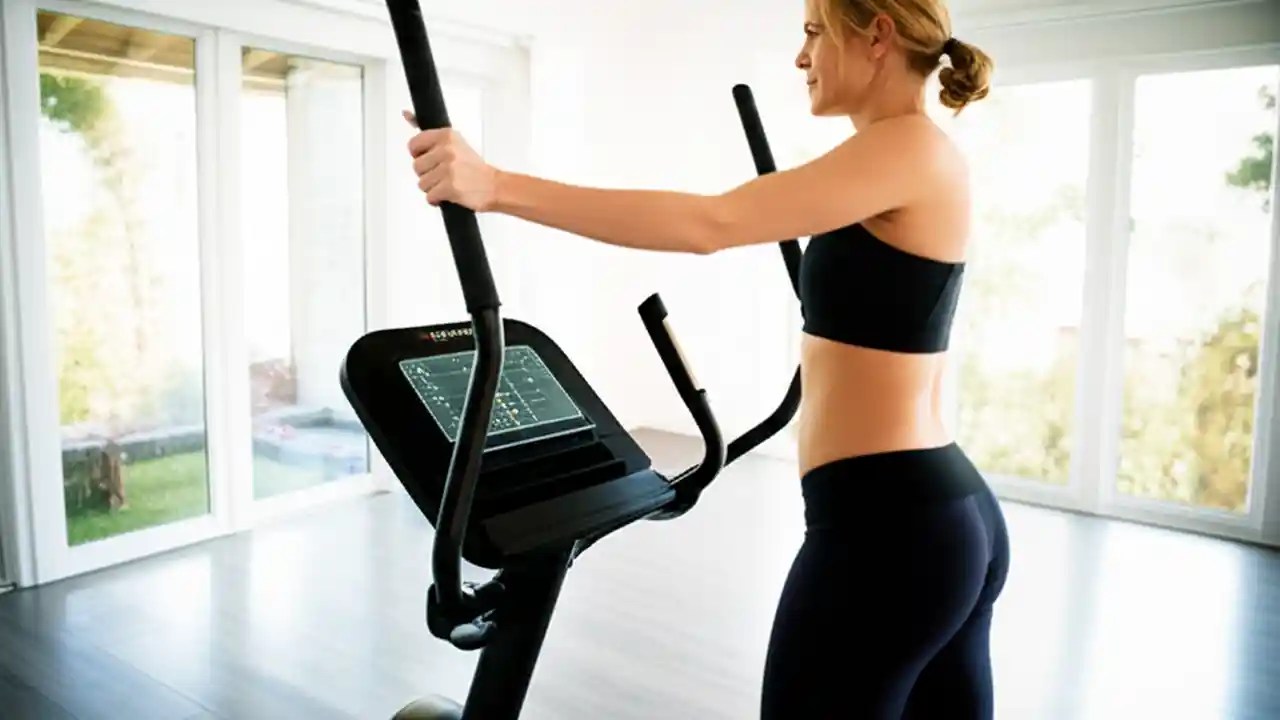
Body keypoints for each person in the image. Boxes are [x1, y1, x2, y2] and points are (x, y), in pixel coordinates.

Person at [403, 0, 1010, 716]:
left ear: (877, 35)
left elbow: (710, 223)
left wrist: (495, 186)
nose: (801, 56)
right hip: (929, 516)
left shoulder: (909, 146)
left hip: (889, 529)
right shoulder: (905, 154)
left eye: (814, 32)